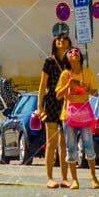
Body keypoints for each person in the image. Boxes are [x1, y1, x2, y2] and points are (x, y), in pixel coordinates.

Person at [57, 46, 99, 189]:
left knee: (89, 144)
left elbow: (95, 93)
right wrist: (68, 85)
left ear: (80, 56)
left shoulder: (87, 72)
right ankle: (74, 180)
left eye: (76, 51)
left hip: (84, 114)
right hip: (68, 115)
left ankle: (93, 176)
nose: (74, 52)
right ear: (67, 58)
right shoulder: (65, 74)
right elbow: (58, 95)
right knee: (71, 147)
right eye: (70, 52)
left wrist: (86, 89)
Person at [37, 33, 72, 188]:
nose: (61, 41)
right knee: (51, 143)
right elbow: (42, 85)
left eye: (64, 39)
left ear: (69, 43)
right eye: (58, 39)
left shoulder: (71, 61)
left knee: (64, 143)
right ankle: (49, 178)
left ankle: (64, 178)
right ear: (54, 43)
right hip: (52, 101)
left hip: (67, 102)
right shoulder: (49, 62)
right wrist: (39, 107)